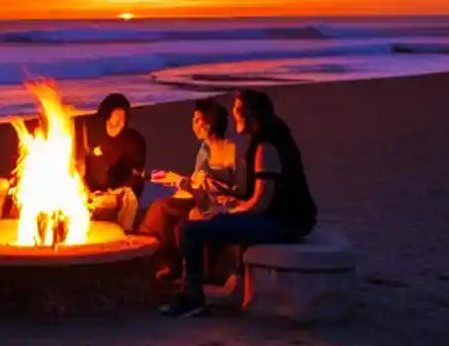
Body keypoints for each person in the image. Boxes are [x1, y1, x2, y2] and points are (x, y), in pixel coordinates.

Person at [161, 90, 318, 318]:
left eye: (237, 109)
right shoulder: (272, 137)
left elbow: (260, 204)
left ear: (250, 115)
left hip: (285, 223)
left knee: (190, 231)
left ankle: (191, 297)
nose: (233, 115)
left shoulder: (266, 147)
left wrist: (229, 211)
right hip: (288, 218)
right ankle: (218, 279)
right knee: (209, 220)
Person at [141, 97, 239, 280]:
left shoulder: (221, 151)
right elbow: (198, 181)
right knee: (165, 211)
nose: (193, 125)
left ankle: (176, 266)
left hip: (214, 204)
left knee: (161, 209)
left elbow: (210, 188)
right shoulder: (211, 148)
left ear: (207, 125)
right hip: (205, 198)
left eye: (196, 120)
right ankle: (173, 263)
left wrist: (178, 181)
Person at [77, 93, 146, 232]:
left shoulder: (133, 141)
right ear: (108, 115)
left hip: (121, 194)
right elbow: (83, 167)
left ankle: (123, 238)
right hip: (94, 194)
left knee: (125, 203)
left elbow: (136, 178)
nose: (121, 119)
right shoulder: (94, 136)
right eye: (117, 115)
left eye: (124, 115)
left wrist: (116, 197)